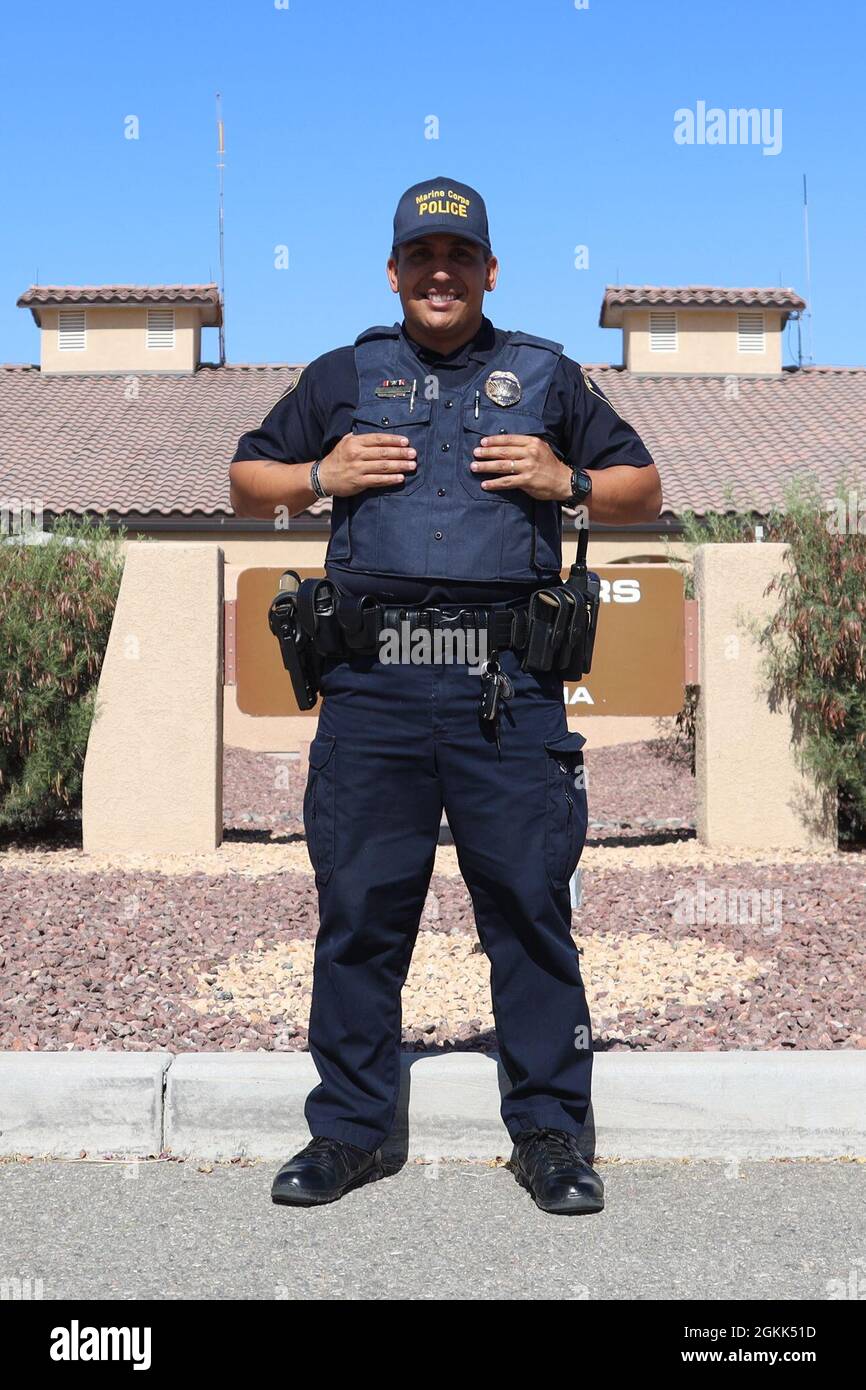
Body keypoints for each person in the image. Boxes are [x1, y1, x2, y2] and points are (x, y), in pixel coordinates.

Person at [229, 177, 661, 1215]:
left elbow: (642, 484)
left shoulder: (545, 377)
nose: (439, 274)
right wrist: (319, 474)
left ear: (487, 271)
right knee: (361, 914)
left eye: (457, 258)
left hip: (504, 690)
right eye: (420, 258)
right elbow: (248, 474)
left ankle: (551, 1133)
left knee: (526, 912)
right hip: (371, 687)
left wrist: (567, 482)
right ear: (393, 272)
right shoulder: (341, 375)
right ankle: (347, 1132)